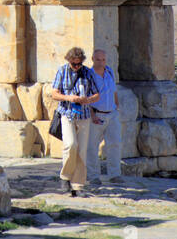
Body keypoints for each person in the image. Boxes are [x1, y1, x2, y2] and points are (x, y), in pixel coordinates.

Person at [50, 46, 100, 195]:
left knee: (81, 151)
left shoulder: (87, 73)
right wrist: (69, 98)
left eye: (79, 64)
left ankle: (77, 186)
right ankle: (65, 176)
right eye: (74, 64)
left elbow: (97, 94)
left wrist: (87, 100)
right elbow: (54, 93)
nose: (77, 67)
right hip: (67, 113)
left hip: (84, 115)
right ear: (69, 61)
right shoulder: (62, 71)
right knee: (71, 145)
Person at [86, 48, 123, 185]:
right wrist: (92, 114)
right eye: (98, 59)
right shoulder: (88, 75)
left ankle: (115, 174)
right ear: (92, 59)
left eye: (103, 59)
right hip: (96, 114)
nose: (101, 62)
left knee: (115, 144)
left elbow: (113, 91)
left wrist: (117, 106)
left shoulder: (109, 72)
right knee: (92, 146)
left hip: (112, 113)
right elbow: (86, 97)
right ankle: (93, 176)